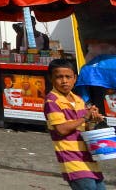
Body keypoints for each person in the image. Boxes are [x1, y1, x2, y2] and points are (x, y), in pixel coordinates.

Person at [44, 58, 106, 189]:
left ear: (75, 78)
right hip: (72, 161)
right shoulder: (52, 101)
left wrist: (93, 120)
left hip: (89, 159)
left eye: (68, 77)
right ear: (51, 78)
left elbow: (84, 128)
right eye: (59, 77)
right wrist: (85, 117)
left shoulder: (78, 100)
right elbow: (61, 129)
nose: (64, 81)